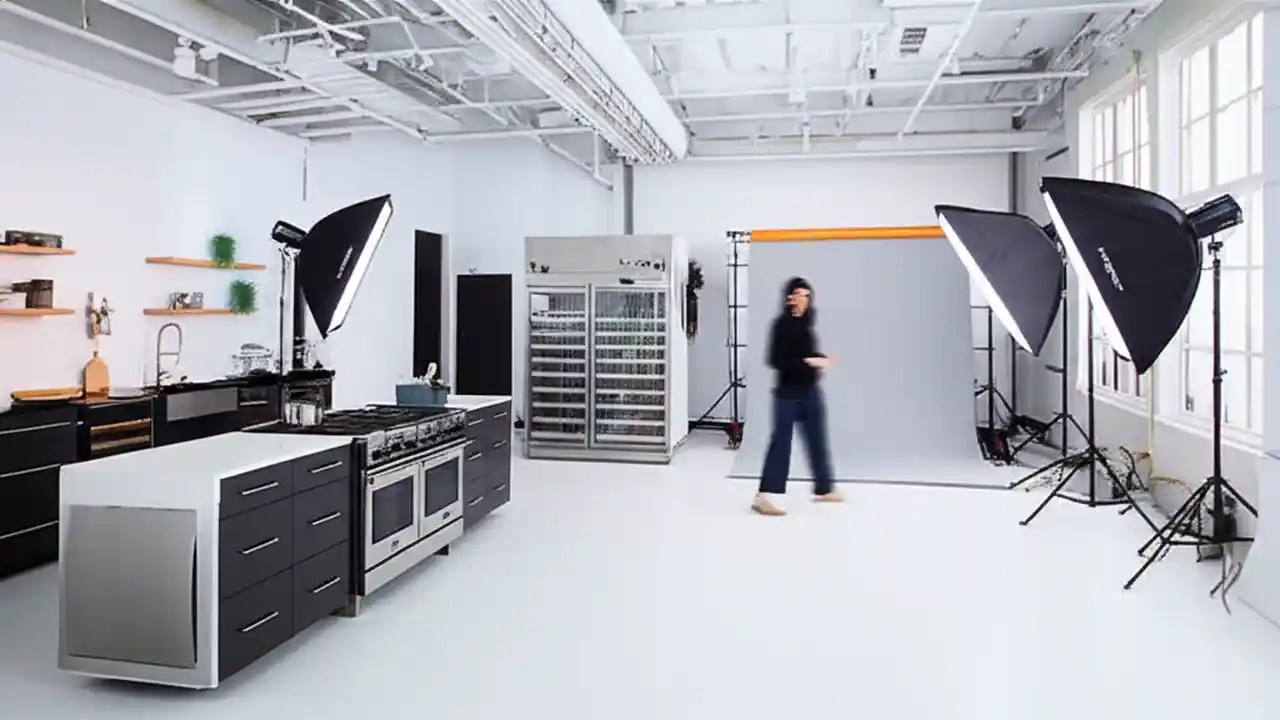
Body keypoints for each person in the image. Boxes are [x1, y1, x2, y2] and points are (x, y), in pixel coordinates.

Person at [751, 277, 844, 516]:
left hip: (810, 393)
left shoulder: (807, 325)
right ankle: (765, 496)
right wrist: (807, 362)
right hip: (787, 396)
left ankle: (824, 488)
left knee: (817, 440)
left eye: (806, 295)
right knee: (781, 445)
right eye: (798, 294)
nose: (803, 299)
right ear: (789, 297)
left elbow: (805, 354)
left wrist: (820, 359)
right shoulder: (780, 326)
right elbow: (776, 360)